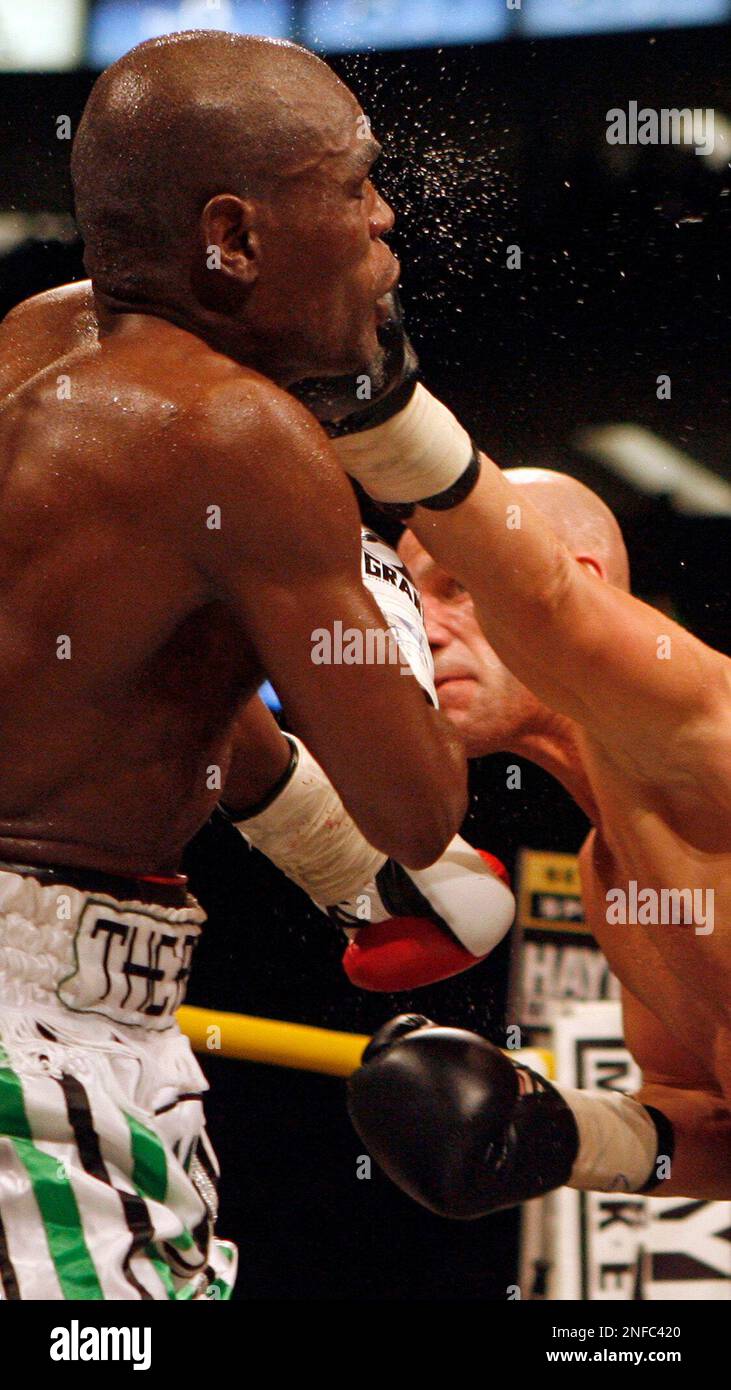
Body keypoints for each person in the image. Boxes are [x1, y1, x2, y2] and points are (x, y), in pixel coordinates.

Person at [0, 31, 474, 1299]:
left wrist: (334, 862)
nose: (383, 221)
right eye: (352, 183)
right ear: (235, 235)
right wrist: (386, 533)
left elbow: (144, 691)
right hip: (29, 1037)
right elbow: (423, 805)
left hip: (79, 1009)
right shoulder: (237, 437)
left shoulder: (38, 345)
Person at [306, 312, 731, 1209]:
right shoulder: (610, 881)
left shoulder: (703, 718)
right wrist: (547, 1134)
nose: (423, 626)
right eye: (413, 600)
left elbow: (543, 598)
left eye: (458, 587)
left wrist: (374, 412)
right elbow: (707, 1125)